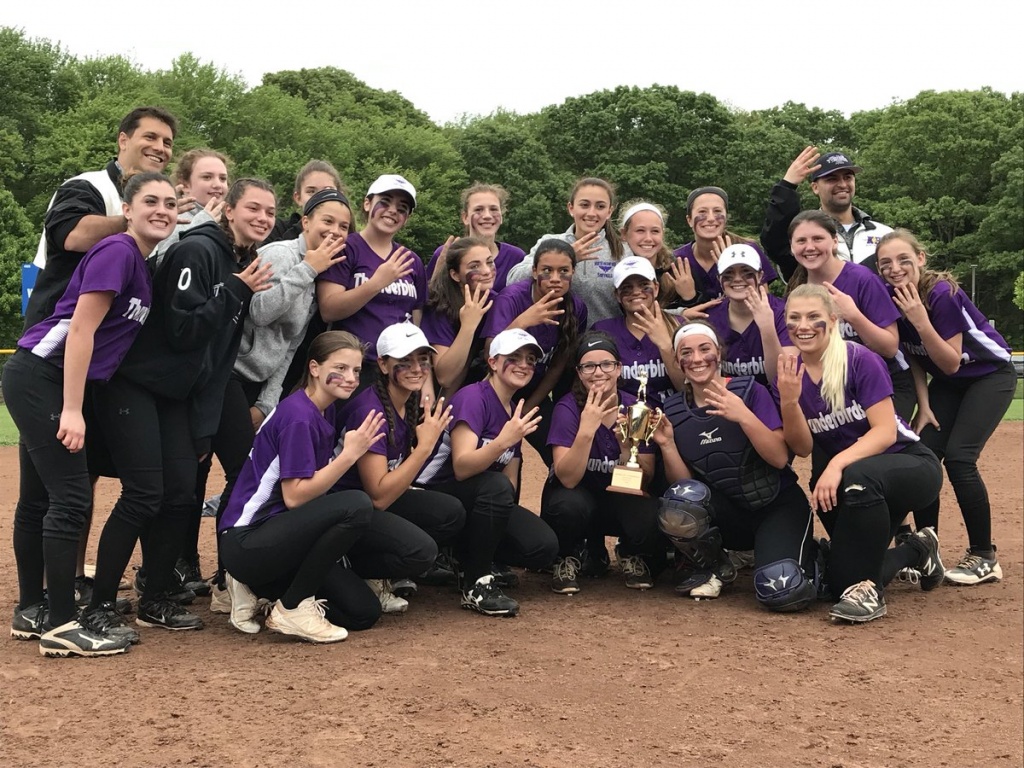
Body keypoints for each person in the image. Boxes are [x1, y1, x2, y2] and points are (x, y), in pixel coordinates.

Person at [84, 179, 275, 633]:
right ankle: (100, 605)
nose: (263, 218)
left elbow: (218, 355)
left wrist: (204, 424)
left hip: (176, 394)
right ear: (228, 210)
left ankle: (156, 597)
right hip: (136, 384)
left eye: (269, 211)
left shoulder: (239, 262)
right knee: (144, 494)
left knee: (180, 494)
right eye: (253, 208)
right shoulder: (199, 252)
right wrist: (233, 290)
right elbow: (181, 332)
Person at [5, 172, 177, 656]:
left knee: (50, 498)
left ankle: (40, 613)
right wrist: (74, 409)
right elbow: (80, 331)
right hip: (44, 374)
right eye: (150, 201)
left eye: (169, 202)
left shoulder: (140, 263)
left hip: (50, 378)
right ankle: (61, 625)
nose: (162, 209)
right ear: (128, 206)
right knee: (72, 499)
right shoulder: (119, 251)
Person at [185, 188, 354, 599]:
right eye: (326, 221)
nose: (334, 230)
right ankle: (226, 577)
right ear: (306, 222)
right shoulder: (282, 255)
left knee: (239, 472)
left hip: (255, 387)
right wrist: (307, 269)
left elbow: (289, 345)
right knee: (240, 472)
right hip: (224, 377)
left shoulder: (320, 272)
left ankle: (225, 574)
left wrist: (267, 401)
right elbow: (259, 311)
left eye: (344, 227)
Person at [775, 284, 945, 623]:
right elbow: (804, 447)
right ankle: (917, 549)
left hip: (910, 467)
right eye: (794, 318)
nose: (803, 325)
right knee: (839, 582)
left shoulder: (858, 358)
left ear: (833, 320)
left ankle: (870, 591)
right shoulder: (789, 371)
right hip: (861, 484)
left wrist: (837, 463)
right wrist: (790, 400)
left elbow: (884, 432)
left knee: (854, 476)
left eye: (813, 317)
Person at [217, 331, 383, 641]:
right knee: (356, 504)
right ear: (314, 368)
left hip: (280, 538)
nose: (350, 378)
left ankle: (263, 592)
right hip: (248, 541)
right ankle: (291, 607)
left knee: (362, 612)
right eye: (341, 368)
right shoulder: (299, 416)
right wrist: (349, 456)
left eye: (357, 371)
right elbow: (295, 497)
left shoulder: (324, 407)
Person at [875, 230, 1016, 585]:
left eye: (904, 260)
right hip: (948, 385)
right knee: (922, 456)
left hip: (989, 375)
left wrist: (920, 319)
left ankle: (984, 556)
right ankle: (928, 550)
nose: (895, 269)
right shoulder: (890, 300)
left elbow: (950, 362)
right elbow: (916, 360)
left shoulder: (941, 294)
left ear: (921, 259)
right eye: (885, 264)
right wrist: (923, 406)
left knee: (959, 458)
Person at [650, 321, 814, 607]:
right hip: (728, 517)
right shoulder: (674, 410)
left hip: (775, 506)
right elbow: (683, 485)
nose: (697, 358)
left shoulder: (750, 391)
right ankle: (715, 565)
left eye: (705, 349)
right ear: (677, 361)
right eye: (686, 353)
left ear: (719, 353)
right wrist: (667, 444)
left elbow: (779, 458)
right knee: (677, 502)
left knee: (781, 592)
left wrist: (743, 415)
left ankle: (814, 557)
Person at [416, 329, 559, 615]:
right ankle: (476, 583)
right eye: (514, 357)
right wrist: (504, 440)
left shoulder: (511, 409)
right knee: (494, 487)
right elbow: (462, 466)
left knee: (542, 546)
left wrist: (497, 524)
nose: (524, 365)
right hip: (431, 494)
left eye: (530, 360)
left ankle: (465, 556)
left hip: (473, 497)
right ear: (493, 362)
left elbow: (510, 477)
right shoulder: (473, 397)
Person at [335, 323, 463, 613]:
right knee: (422, 552)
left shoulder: (408, 401)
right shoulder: (371, 411)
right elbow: (379, 495)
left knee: (450, 513)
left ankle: (373, 567)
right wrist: (425, 448)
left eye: (422, 359)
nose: (416, 368)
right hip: (348, 511)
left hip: (369, 504)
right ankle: (352, 568)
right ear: (382, 364)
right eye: (404, 362)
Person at [27, 106, 178, 328]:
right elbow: (72, 236)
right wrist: (141, 221)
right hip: (56, 336)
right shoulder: (87, 185)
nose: (159, 148)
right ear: (123, 141)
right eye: (150, 137)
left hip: (111, 345)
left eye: (167, 142)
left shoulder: (164, 208)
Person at [541, 332, 665, 593]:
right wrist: (586, 431)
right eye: (589, 366)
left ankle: (630, 551)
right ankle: (567, 555)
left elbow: (647, 477)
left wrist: (625, 449)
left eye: (607, 364)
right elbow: (567, 478)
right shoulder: (568, 408)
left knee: (649, 518)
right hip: (579, 495)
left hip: (617, 498)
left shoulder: (635, 408)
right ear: (579, 372)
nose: (598, 372)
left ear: (619, 369)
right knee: (566, 506)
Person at [785, 210, 914, 420]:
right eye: (801, 241)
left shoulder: (862, 279)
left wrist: (853, 315)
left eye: (818, 238)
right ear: (792, 247)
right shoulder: (798, 290)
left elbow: (890, 347)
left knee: (871, 448)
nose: (809, 247)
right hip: (836, 389)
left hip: (888, 382)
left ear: (835, 241)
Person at [482, 239, 588, 466]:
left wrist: (528, 409)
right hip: (496, 388)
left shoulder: (576, 308)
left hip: (533, 391)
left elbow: (558, 365)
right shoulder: (512, 298)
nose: (555, 279)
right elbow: (489, 354)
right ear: (533, 271)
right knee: (501, 457)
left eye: (564, 271)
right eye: (547, 271)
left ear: (573, 273)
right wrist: (523, 321)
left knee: (557, 450)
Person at [317, 174, 427, 391]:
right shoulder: (346, 248)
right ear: (367, 204)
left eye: (402, 207)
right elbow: (328, 310)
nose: (393, 210)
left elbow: (417, 322)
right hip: (353, 368)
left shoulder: (411, 260)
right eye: (384, 202)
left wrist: (425, 380)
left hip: (399, 370)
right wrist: (376, 283)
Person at [761, 148, 893, 281]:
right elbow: (774, 242)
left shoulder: (885, 234)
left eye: (847, 177)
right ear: (815, 188)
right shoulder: (806, 237)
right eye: (832, 179)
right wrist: (787, 186)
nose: (842, 184)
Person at [505, 177, 623, 324]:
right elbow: (513, 280)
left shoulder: (622, 251)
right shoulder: (548, 242)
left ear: (610, 211)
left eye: (600, 206)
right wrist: (565, 258)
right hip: (558, 340)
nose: (592, 213)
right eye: (584, 205)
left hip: (607, 342)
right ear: (571, 208)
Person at [591, 256, 684, 407]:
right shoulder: (603, 331)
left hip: (672, 417)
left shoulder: (679, 325)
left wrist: (666, 346)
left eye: (644, 285)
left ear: (656, 287)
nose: (636, 292)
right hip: (622, 422)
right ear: (617, 295)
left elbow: (687, 388)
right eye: (626, 288)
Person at [703, 244, 790, 388]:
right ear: (719, 278)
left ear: (760, 275)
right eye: (729, 273)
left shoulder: (782, 311)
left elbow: (782, 379)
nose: (737, 279)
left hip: (774, 404)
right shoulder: (711, 317)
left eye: (746, 272)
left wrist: (767, 328)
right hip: (727, 403)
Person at [672, 186, 777, 303]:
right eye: (702, 212)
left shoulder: (748, 250)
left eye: (717, 211)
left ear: (726, 217)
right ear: (689, 220)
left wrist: (730, 266)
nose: (711, 218)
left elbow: (764, 302)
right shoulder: (677, 261)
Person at [422, 236, 496, 396]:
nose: (486, 271)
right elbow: (445, 377)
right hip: (430, 396)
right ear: (455, 275)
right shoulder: (439, 306)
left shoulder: (497, 302)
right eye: (475, 266)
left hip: (475, 393)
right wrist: (468, 326)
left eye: (489, 262)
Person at [425, 183, 525, 292]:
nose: (487, 216)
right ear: (465, 217)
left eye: (493, 209)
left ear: (501, 216)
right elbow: (427, 301)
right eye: (478, 209)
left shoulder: (516, 257)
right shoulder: (447, 254)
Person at [149, 148, 229, 266]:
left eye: (223, 178)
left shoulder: (229, 222)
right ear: (185, 185)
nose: (217, 185)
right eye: (207, 177)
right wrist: (199, 226)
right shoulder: (171, 217)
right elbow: (160, 263)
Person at [267, 160, 345, 244]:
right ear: (298, 198)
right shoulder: (278, 229)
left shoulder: (345, 234)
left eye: (328, 191)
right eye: (311, 191)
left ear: (340, 196)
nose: (319, 197)